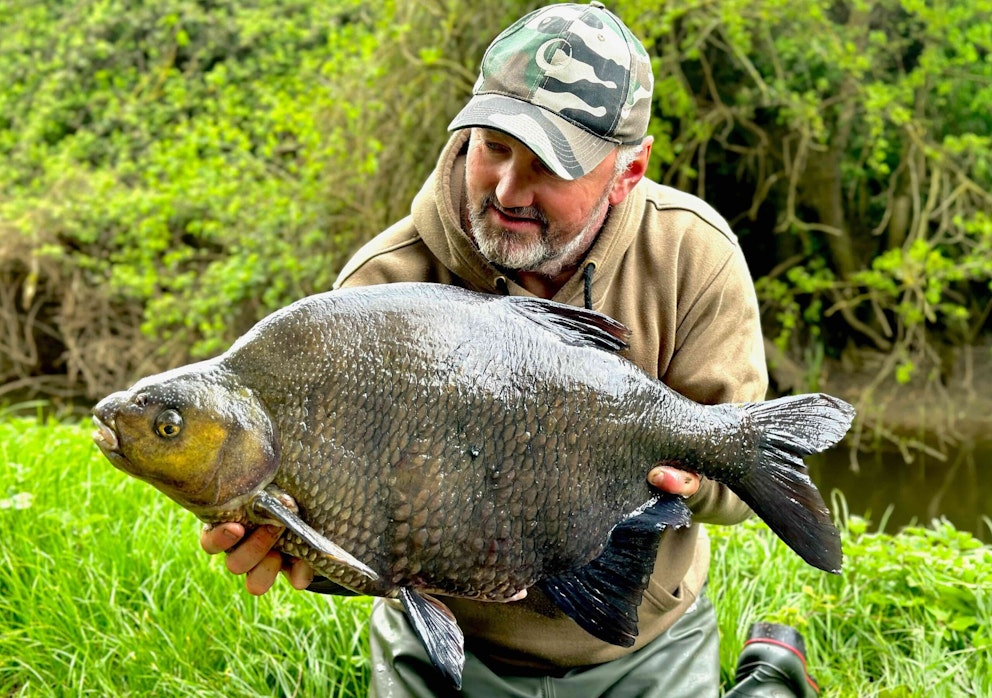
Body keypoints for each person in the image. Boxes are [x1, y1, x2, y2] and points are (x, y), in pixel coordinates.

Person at [201, 3, 820, 696]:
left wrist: (684, 476)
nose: (506, 189)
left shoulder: (693, 255)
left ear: (629, 170)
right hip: (449, 643)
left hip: (641, 638)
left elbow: (739, 487)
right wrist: (303, 555)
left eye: (549, 166)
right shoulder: (378, 292)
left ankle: (771, 676)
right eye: (493, 146)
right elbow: (357, 541)